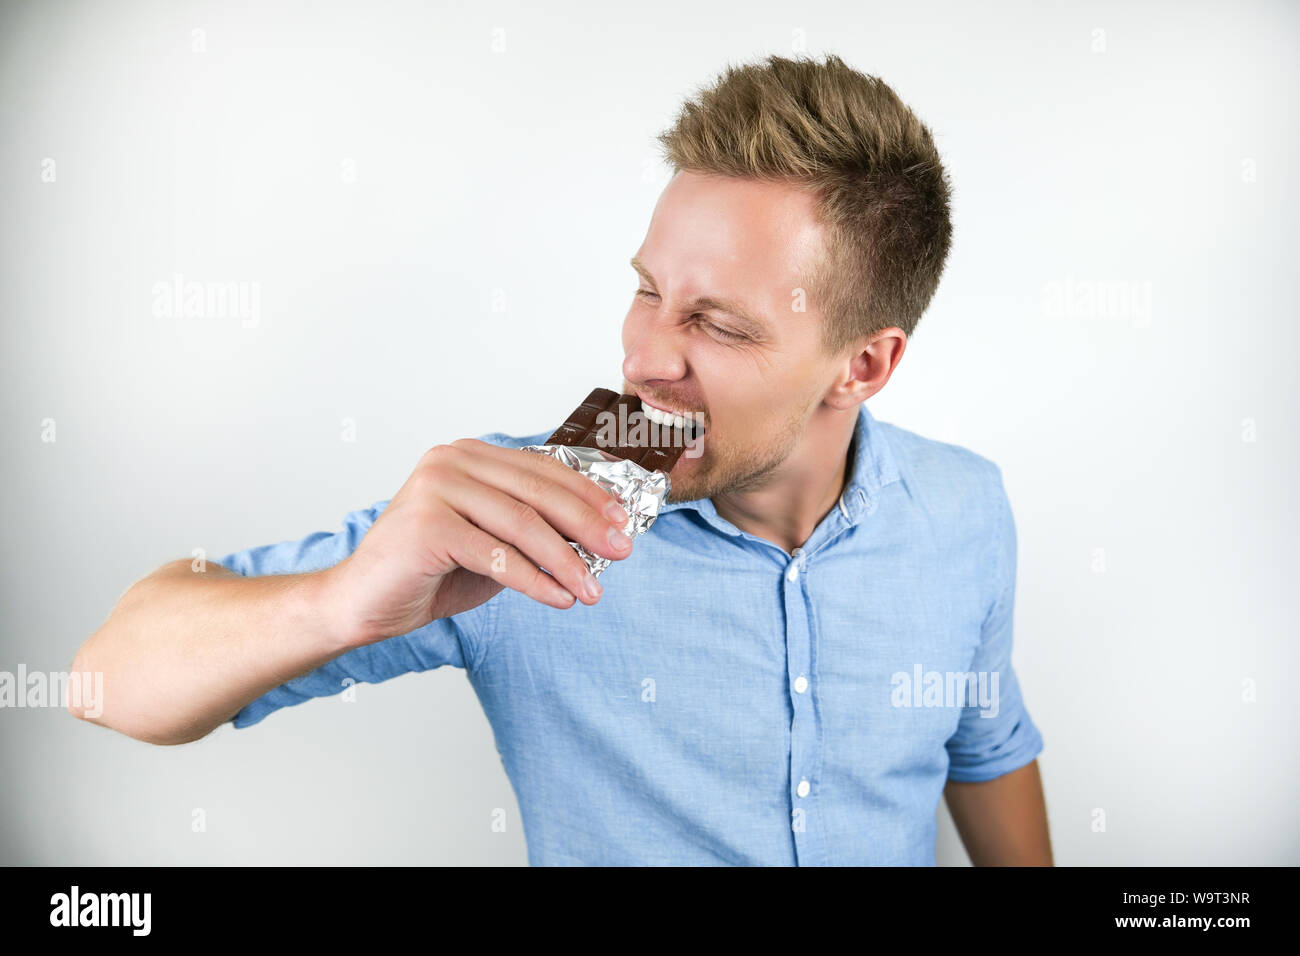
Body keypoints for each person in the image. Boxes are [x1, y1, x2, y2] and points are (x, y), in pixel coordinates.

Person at [68, 53, 1051, 866]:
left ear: (864, 364)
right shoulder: (515, 515)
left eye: (714, 322)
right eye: (647, 289)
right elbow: (106, 682)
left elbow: (986, 742)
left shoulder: (965, 505)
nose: (642, 358)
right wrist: (339, 599)